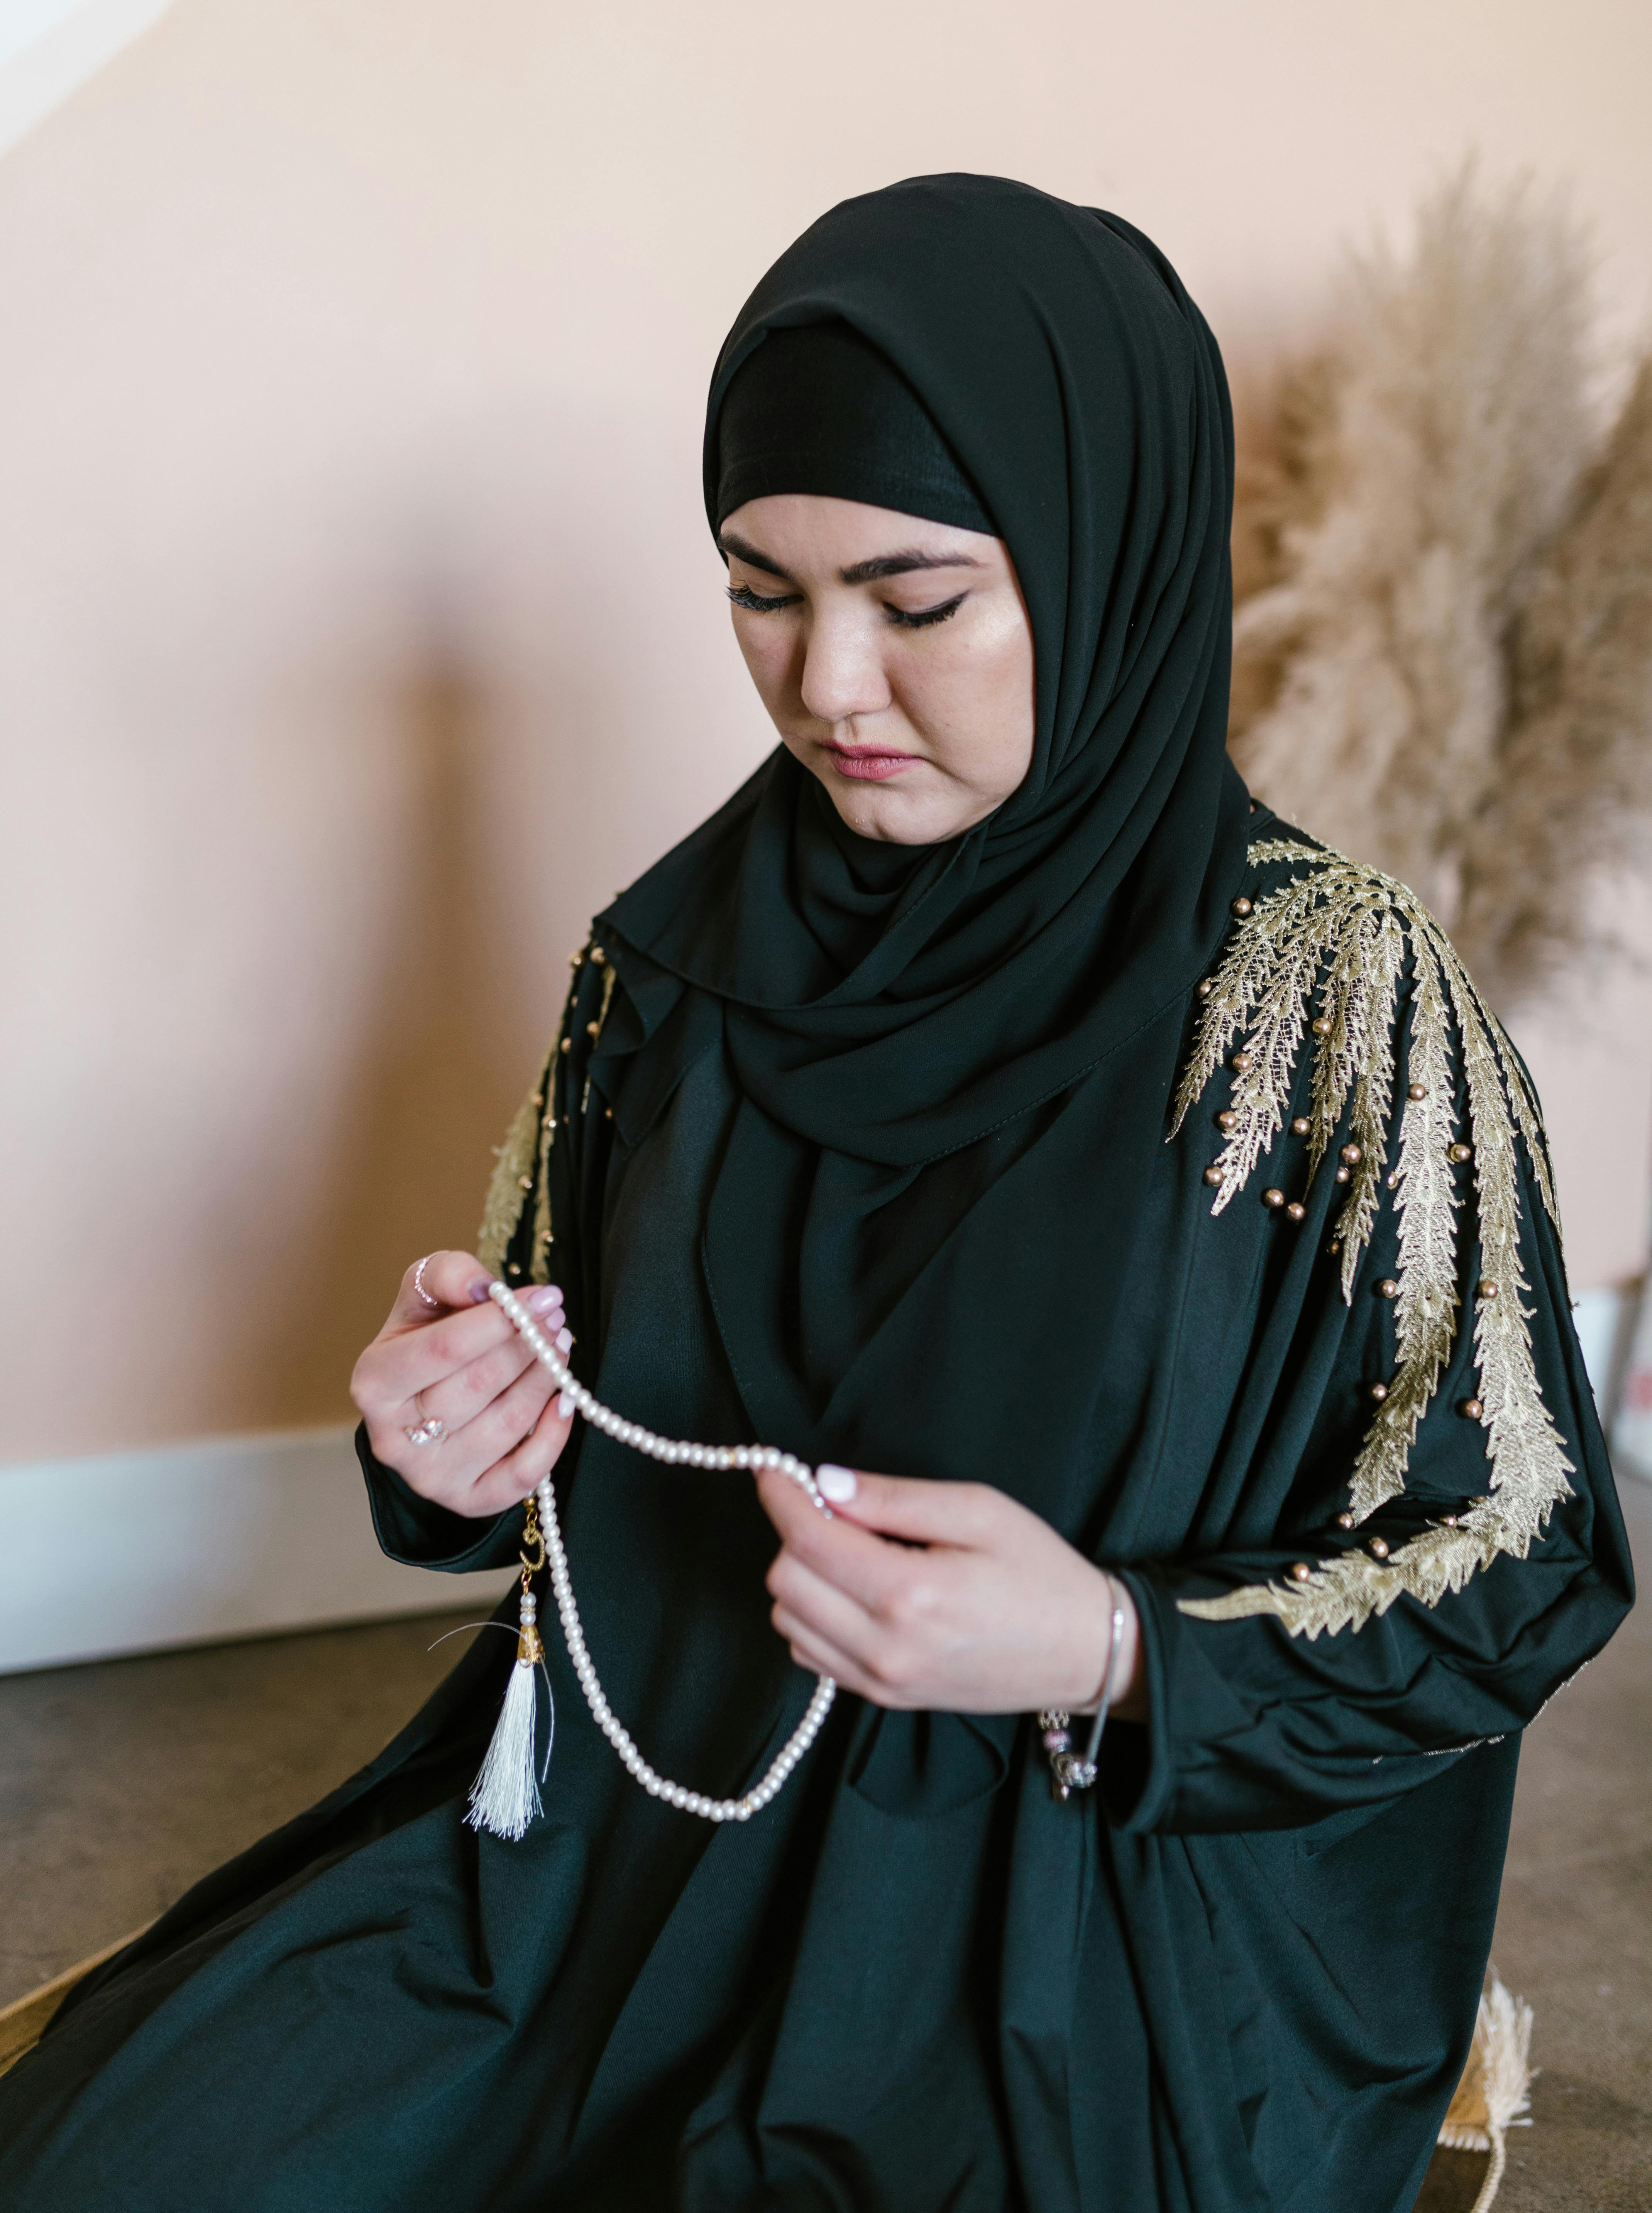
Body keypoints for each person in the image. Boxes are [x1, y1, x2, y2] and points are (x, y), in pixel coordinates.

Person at [0, 175, 1631, 2213]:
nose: (828, 684)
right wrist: (442, 1442)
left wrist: (1115, 1644)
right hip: (615, 1870)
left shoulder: (1326, 995)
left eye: (917, 597)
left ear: (1104, 554)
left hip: (1061, 1918)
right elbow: (545, 1434)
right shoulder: (668, 966)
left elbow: (1526, 1538)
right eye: (759, 591)